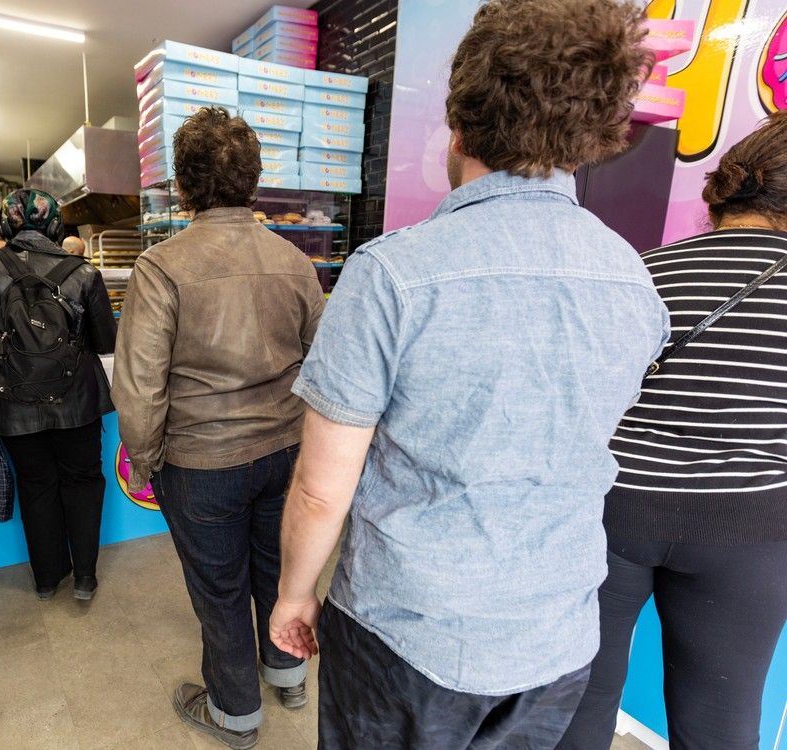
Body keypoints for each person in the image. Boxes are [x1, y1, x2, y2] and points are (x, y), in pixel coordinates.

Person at [269, 1, 671, 748]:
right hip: (557, 633)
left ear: (460, 123)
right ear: (587, 137)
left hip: (408, 628)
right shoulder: (634, 283)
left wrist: (294, 595)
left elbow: (324, 485)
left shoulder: (391, 273)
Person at [558, 111, 787, 750]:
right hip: (748, 526)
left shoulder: (645, 269)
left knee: (580, 697)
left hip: (613, 510)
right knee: (721, 719)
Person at [112, 107, 325, 749]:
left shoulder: (161, 266)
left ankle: (236, 715)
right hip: (285, 451)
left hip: (200, 464)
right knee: (280, 570)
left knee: (219, 590)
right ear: (254, 183)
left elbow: (140, 386)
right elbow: (322, 365)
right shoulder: (295, 262)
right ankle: (287, 672)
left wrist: (145, 460)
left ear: (184, 185)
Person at [0, 189, 117, 601]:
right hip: (78, 404)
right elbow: (105, 341)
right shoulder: (84, 273)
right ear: (56, 227)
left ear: (4, 226)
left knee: (36, 485)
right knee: (83, 482)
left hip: (12, 407)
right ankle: (85, 578)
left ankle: (46, 579)